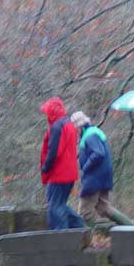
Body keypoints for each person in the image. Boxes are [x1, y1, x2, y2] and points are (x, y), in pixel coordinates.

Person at [70, 111, 134, 227]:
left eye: (74, 128)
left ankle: (86, 242)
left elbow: (98, 153)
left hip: (94, 179)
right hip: (103, 177)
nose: (74, 131)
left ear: (79, 126)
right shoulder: (93, 132)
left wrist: (85, 166)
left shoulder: (90, 135)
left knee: (85, 211)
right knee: (104, 207)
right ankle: (132, 227)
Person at [39, 97, 85, 230]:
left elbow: (54, 152)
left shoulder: (57, 126)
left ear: (52, 112)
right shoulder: (69, 124)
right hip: (69, 173)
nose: (46, 115)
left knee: (54, 207)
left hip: (59, 174)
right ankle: (79, 227)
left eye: (47, 112)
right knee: (59, 204)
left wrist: (45, 168)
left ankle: (62, 238)